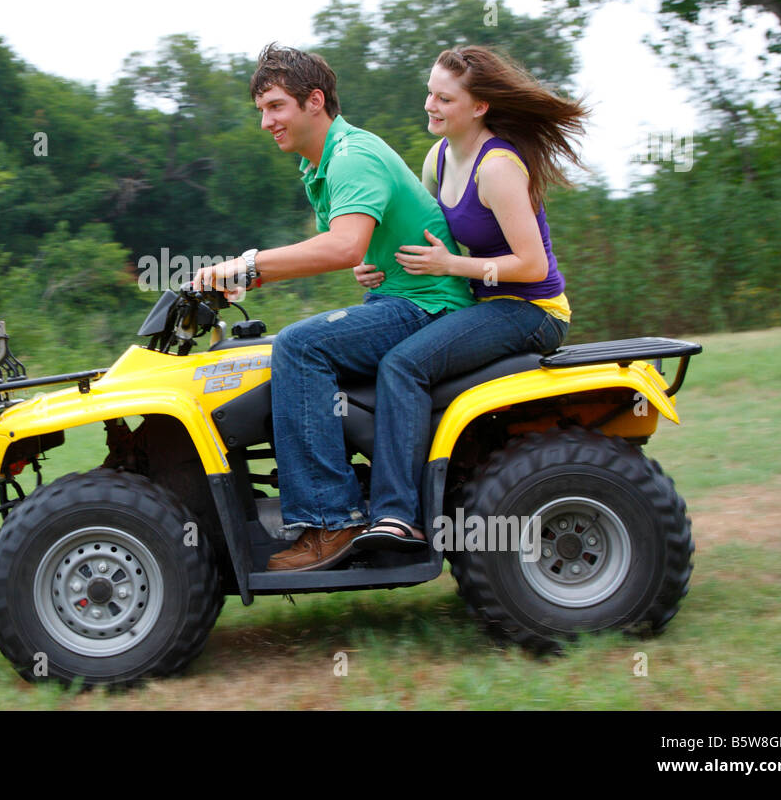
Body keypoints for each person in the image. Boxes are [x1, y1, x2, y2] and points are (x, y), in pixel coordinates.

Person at [191, 44, 474, 572]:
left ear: (314, 101)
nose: (265, 122)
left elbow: (341, 243)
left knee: (299, 345)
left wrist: (247, 266)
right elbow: (355, 244)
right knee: (278, 348)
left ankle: (331, 520)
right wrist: (371, 261)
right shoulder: (316, 164)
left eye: (275, 107)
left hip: (431, 306)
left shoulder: (351, 156)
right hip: (398, 294)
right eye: (261, 110)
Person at [348, 45, 588, 554]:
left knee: (404, 366)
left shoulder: (497, 166)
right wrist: (378, 267)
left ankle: (397, 518)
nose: (430, 105)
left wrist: (452, 267)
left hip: (532, 311)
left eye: (444, 98)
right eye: (429, 93)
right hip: (481, 305)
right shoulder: (436, 159)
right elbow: (428, 239)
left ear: (478, 107)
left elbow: (533, 266)